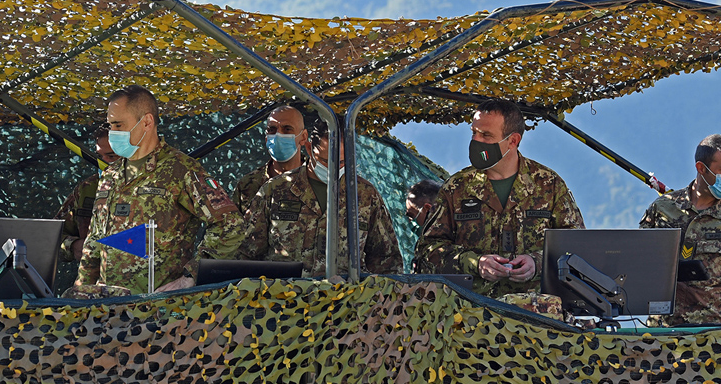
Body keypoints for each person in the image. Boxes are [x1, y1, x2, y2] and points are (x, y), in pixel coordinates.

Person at [72, 85, 244, 295]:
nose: (112, 134)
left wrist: (191, 276)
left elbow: (230, 225)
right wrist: (81, 293)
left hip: (158, 308)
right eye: (110, 126)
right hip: (109, 307)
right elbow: (94, 241)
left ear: (146, 122)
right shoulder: (111, 175)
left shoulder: (180, 170)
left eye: (118, 125)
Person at [416, 99, 584, 298]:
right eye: (474, 132)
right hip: (471, 313)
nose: (476, 141)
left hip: (534, 314)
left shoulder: (548, 185)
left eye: (486, 135)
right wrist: (474, 263)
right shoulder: (456, 188)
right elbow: (428, 249)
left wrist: (536, 263)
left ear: (513, 141)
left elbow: (578, 246)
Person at [239, 120, 403, 276]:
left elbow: (387, 261)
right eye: (325, 160)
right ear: (309, 149)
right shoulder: (275, 190)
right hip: (285, 300)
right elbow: (245, 253)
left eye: (341, 162)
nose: (333, 167)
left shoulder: (365, 195)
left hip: (343, 302)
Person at [639, 134, 721, 325]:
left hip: (717, 336)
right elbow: (638, 263)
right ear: (701, 168)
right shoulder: (663, 209)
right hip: (664, 333)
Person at [233, 105, 309, 215]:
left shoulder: (319, 182)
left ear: (303, 137)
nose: (278, 135)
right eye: (272, 130)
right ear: (266, 138)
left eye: (287, 129)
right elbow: (235, 229)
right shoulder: (247, 185)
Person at [56, 128, 117, 262]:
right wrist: (73, 245)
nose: (104, 162)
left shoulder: (153, 186)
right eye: (99, 157)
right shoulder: (88, 189)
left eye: (111, 156)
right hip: (92, 278)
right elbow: (52, 235)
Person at [405, 177, 443, 272]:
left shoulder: (443, 243)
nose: (410, 220)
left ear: (427, 208)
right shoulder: (426, 242)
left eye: (411, 214)